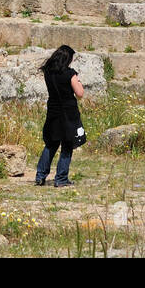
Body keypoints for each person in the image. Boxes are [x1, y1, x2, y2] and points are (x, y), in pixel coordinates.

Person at [36, 45, 85, 187]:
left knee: (51, 144)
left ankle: (40, 176)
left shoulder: (48, 72)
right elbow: (80, 93)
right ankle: (61, 178)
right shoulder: (70, 74)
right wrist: (79, 81)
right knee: (67, 145)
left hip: (53, 110)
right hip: (68, 112)